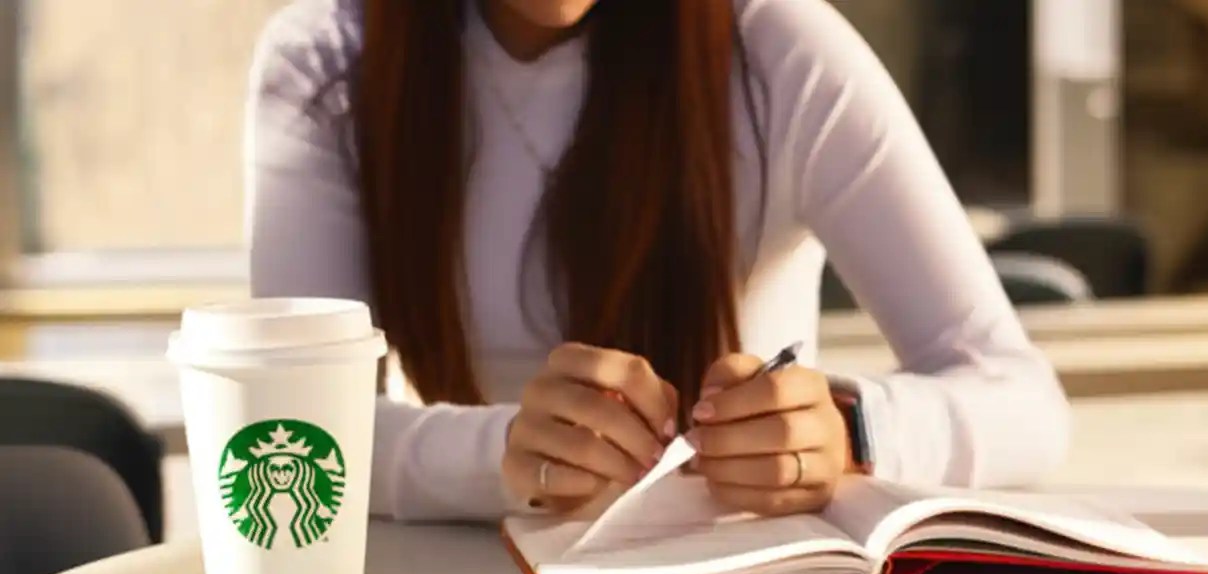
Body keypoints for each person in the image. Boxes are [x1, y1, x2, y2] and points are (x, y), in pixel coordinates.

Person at [246, 0, 1070, 523]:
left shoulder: (778, 49)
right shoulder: (327, 61)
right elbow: (290, 433)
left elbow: (1023, 399)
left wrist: (854, 430)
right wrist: (502, 456)